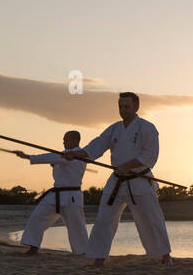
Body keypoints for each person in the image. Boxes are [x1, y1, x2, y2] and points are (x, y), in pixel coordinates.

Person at [66, 92, 172, 265]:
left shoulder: (147, 128)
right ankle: (99, 257)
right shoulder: (114, 128)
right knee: (104, 219)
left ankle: (164, 256)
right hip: (117, 181)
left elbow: (150, 155)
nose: (123, 110)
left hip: (139, 179)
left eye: (126, 107)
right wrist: (75, 154)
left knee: (151, 218)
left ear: (136, 107)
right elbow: (96, 146)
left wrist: (128, 165)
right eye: (120, 107)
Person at [16, 131, 89, 254]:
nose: (64, 142)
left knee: (77, 227)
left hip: (71, 197)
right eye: (63, 140)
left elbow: (51, 157)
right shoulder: (66, 155)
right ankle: (33, 247)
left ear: (75, 140)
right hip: (55, 195)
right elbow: (57, 160)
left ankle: (83, 252)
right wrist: (55, 164)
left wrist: (27, 156)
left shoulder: (77, 155)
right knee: (37, 217)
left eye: (66, 140)